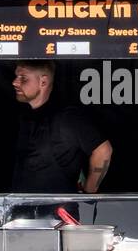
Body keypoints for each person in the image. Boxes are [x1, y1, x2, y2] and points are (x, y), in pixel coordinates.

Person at [11, 61, 113, 194]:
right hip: (22, 209)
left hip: (57, 211)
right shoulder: (23, 117)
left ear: (43, 82)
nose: (15, 82)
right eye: (16, 77)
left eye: (23, 78)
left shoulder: (68, 117)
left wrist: (90, 190)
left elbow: (103, 151)